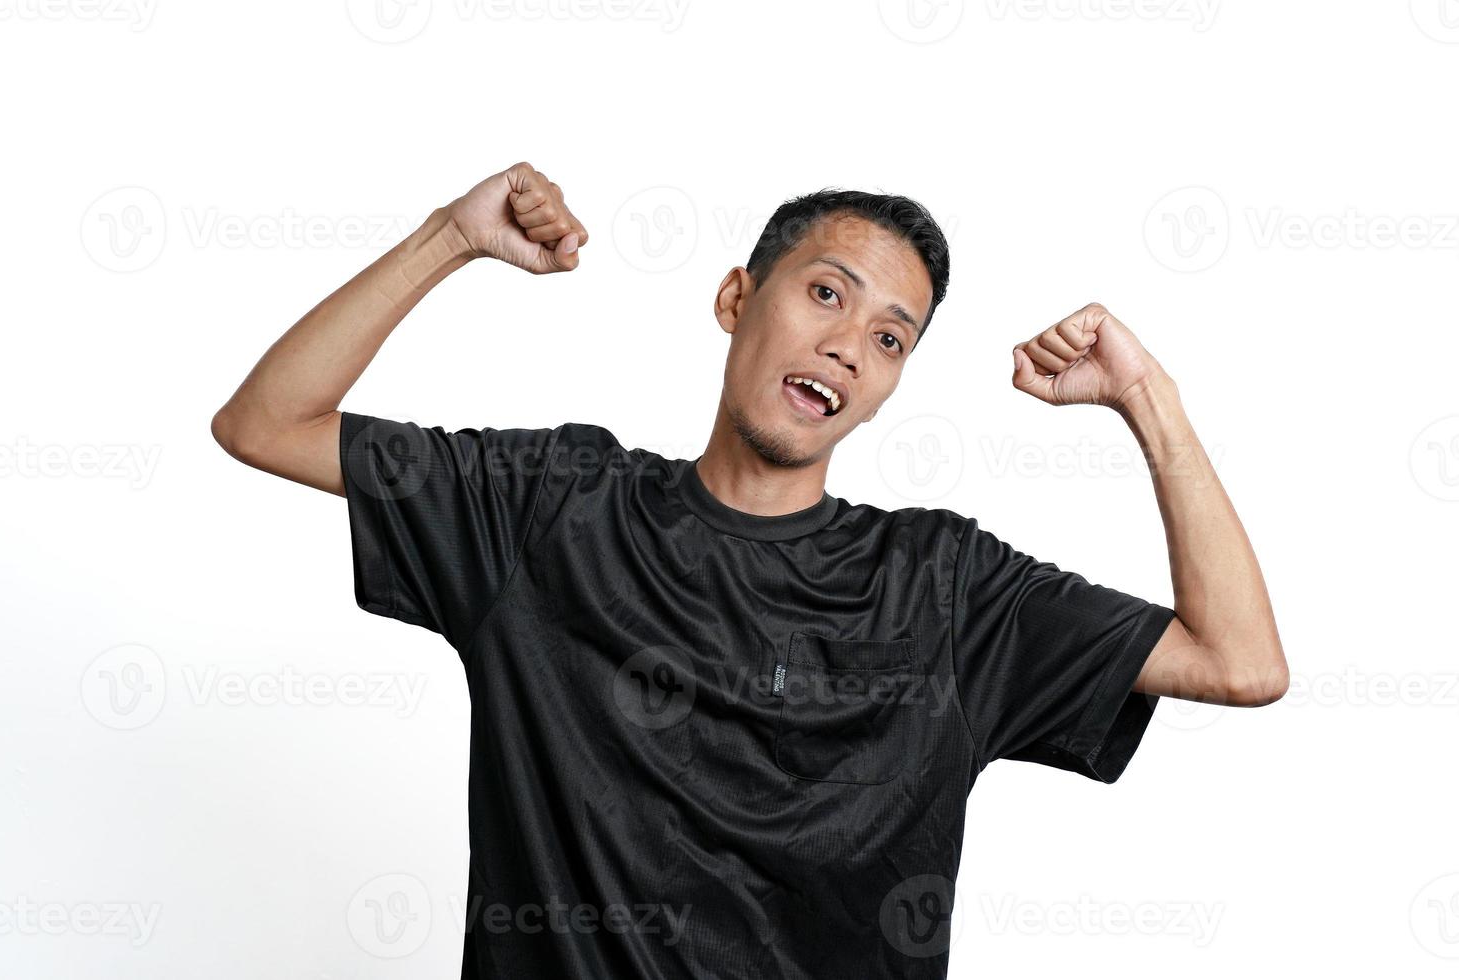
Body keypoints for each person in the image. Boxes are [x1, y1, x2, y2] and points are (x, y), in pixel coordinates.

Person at [211, 160, 1287, 979]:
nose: (848, 346)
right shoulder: (548, 506)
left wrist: (1150, 398)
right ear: (738, 297)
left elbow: (1239, 661)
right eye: (826, 294)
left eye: (890, 337)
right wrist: (450, 235)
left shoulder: (946, 585)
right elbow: (266, 421)